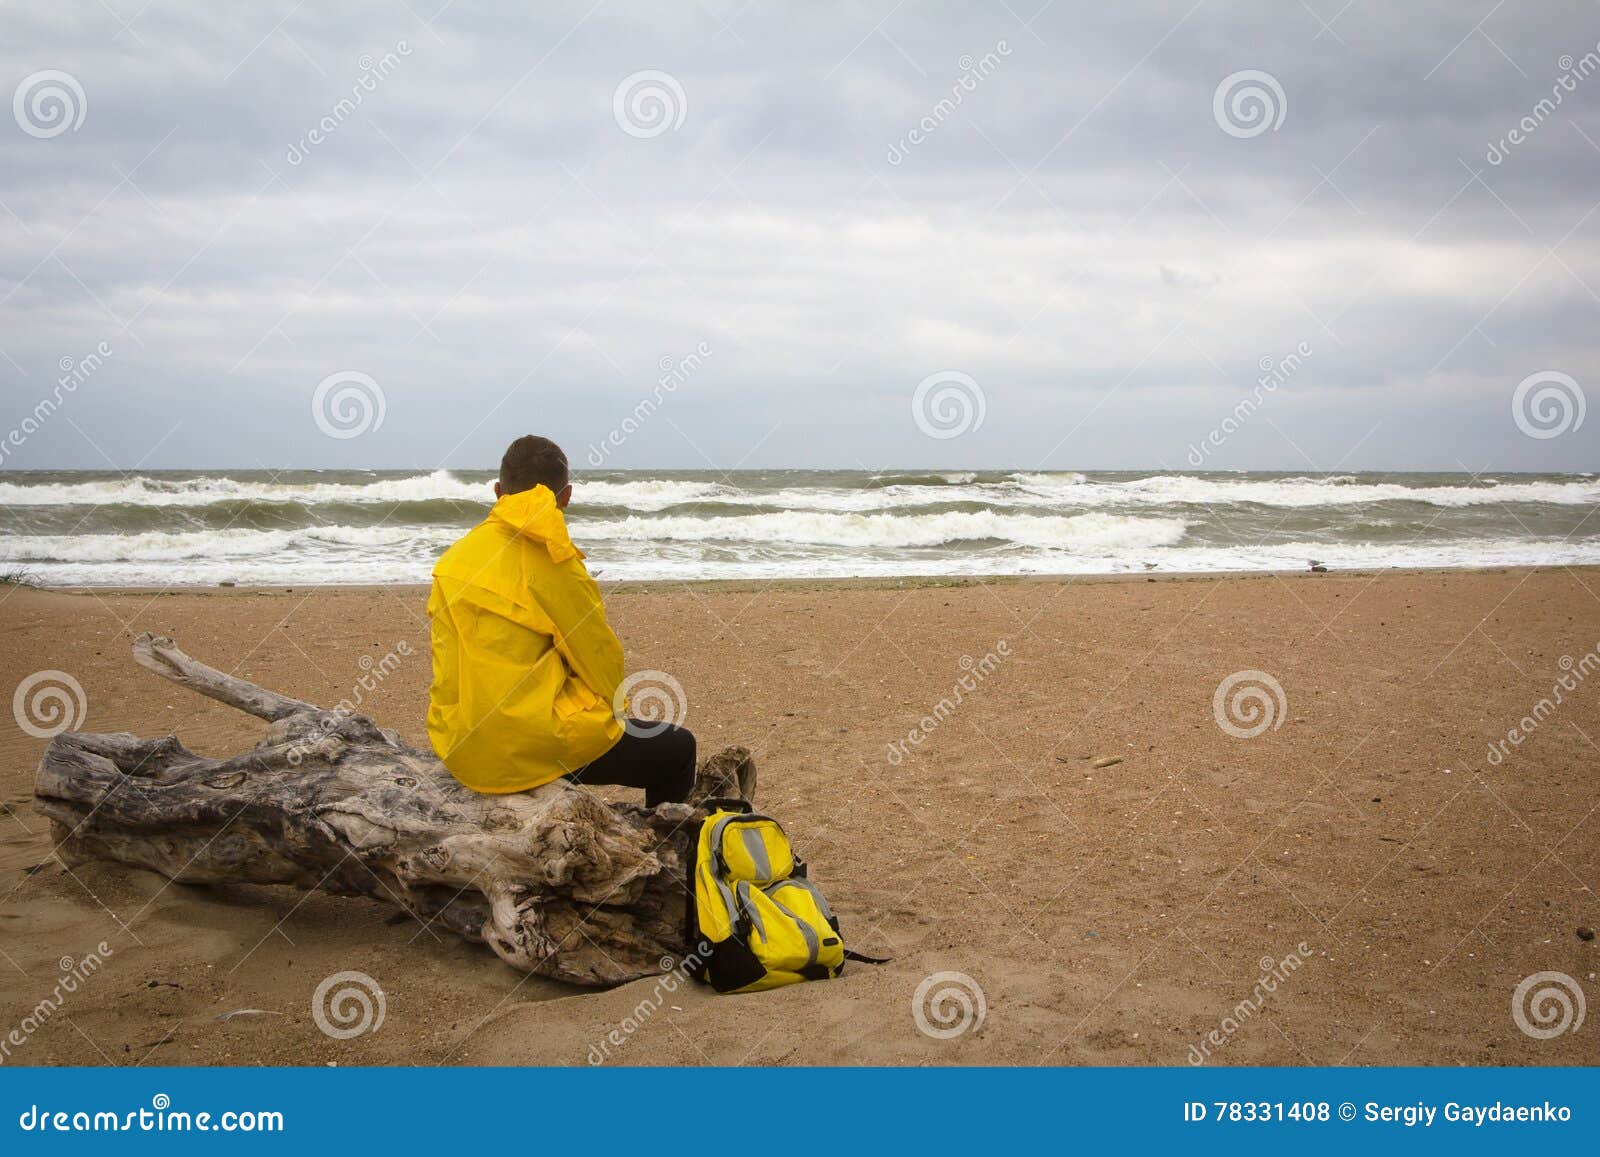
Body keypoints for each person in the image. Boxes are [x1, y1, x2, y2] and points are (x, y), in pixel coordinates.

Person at [426, 435, 695, 807]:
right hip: (527, 748)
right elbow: (599, 661)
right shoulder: (555, 561)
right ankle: (670, 857)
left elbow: (445, 668)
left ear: (497, 491)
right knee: (678, 750)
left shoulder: (452, 561)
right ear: (566, 496)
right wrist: (611, 710)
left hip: (460, 744)